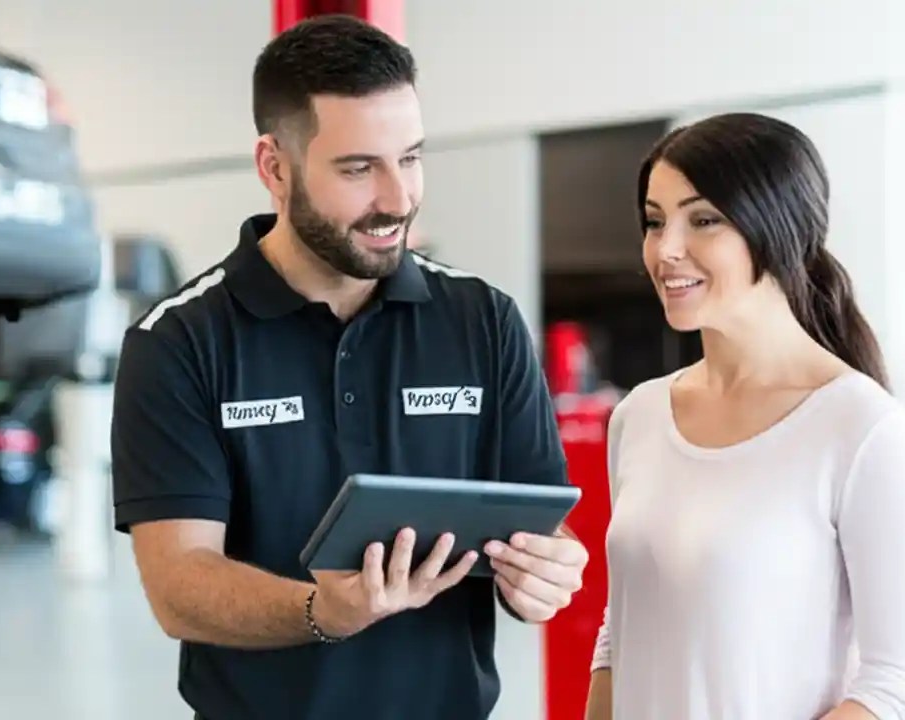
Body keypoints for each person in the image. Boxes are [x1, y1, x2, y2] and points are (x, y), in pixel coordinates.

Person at [110, 14, 588, 720]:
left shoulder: (483, 319)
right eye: (359, 168)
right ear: (275, 167)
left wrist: (546, 571)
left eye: (411, 157)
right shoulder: (180, 341)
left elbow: (544, 522)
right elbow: (178, 585)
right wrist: (320, 610)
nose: (397, 198)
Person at [584, 113, 905, 719]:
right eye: (654, 221)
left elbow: (897, 688)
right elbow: (622, 631)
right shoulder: (638, 416)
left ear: (779, 229)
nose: (666, 249)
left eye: (703, 220)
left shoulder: (864, 430)